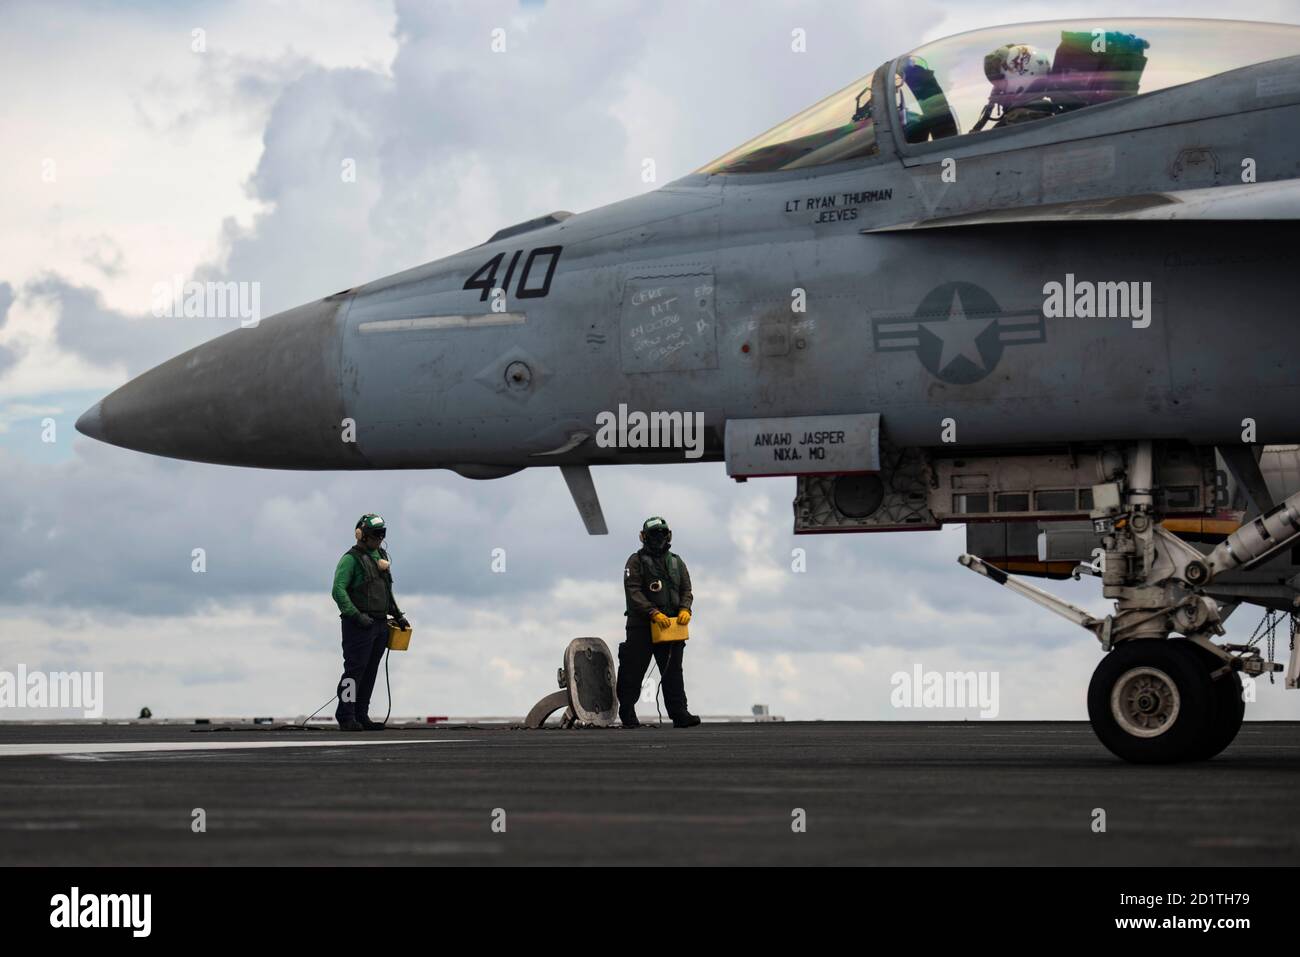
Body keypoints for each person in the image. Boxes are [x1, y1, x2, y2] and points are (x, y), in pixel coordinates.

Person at [617, 516, 700, 728]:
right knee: (633, 670)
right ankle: (627, 712)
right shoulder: (634, 562)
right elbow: (633, 591)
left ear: (668, 535)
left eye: (661, 534)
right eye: (654, 534)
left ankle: (679, 713)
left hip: (670, 628)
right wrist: (652, 612)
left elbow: (686, 590)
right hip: (642, 627)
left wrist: (685, 609)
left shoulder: (677, 562)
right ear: (644, 537)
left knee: (673, 672)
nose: (658, 538)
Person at [331, 513, 409, 731]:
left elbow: (386, 589)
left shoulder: (381, 555)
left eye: (382, 534)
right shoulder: (350, 559)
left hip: (380, 624)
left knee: (370, 670)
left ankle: (360, 714)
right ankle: (346, 715)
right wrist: (356, 615)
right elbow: (338, 590)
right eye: (375, 535)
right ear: (361, 535)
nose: (379, 539)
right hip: (358, 624)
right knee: (354, 670)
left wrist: (397, 613)